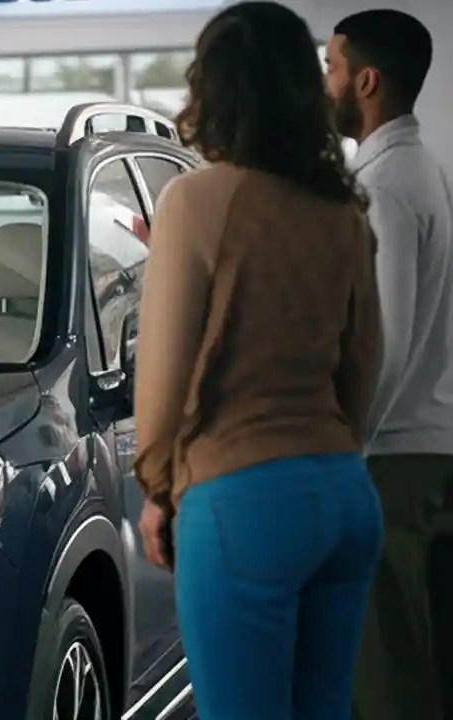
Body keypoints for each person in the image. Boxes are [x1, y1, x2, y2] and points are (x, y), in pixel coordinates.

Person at [132, 3, 384, 718]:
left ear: (210, 87)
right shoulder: (344, 209)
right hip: (342, 495)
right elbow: (364, 365)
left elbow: (164, 370)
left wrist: (159, 488)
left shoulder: (194, 200)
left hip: (241, 500)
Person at [325, 10, 453, 720]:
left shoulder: (387, 186)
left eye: (332, 69)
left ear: (366, 81)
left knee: (387, 674)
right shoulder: (413, 166)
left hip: (390, 460)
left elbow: (386, 339)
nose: (326, 83)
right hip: (420, 450)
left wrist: (344, 451)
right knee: (413, 658)